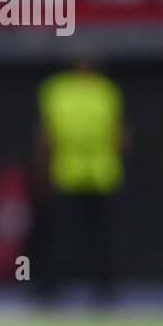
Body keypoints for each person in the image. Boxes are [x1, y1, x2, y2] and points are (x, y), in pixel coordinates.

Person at [32, 61, 125, 306]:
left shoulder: (60, 89)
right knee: (83, 235)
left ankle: (62, 289)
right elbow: (118, 136)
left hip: (76, 170)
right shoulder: (102, 90)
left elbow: (47, 135)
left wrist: (43, 167)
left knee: (72, 235)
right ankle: (97, 290)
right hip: (86, 170)